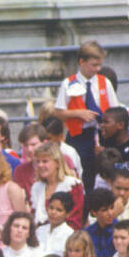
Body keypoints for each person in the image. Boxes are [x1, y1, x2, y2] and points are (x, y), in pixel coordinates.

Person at [53, 40, 118, 172]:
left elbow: (115, 110)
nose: (97, 69)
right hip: (79, 135)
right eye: (93, 65)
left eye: (99, 65)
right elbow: (58, 112)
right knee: (81, 170)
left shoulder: (104, 82)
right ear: (82, 62)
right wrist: (78, 113)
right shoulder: (68, 83)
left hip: (103, 133)